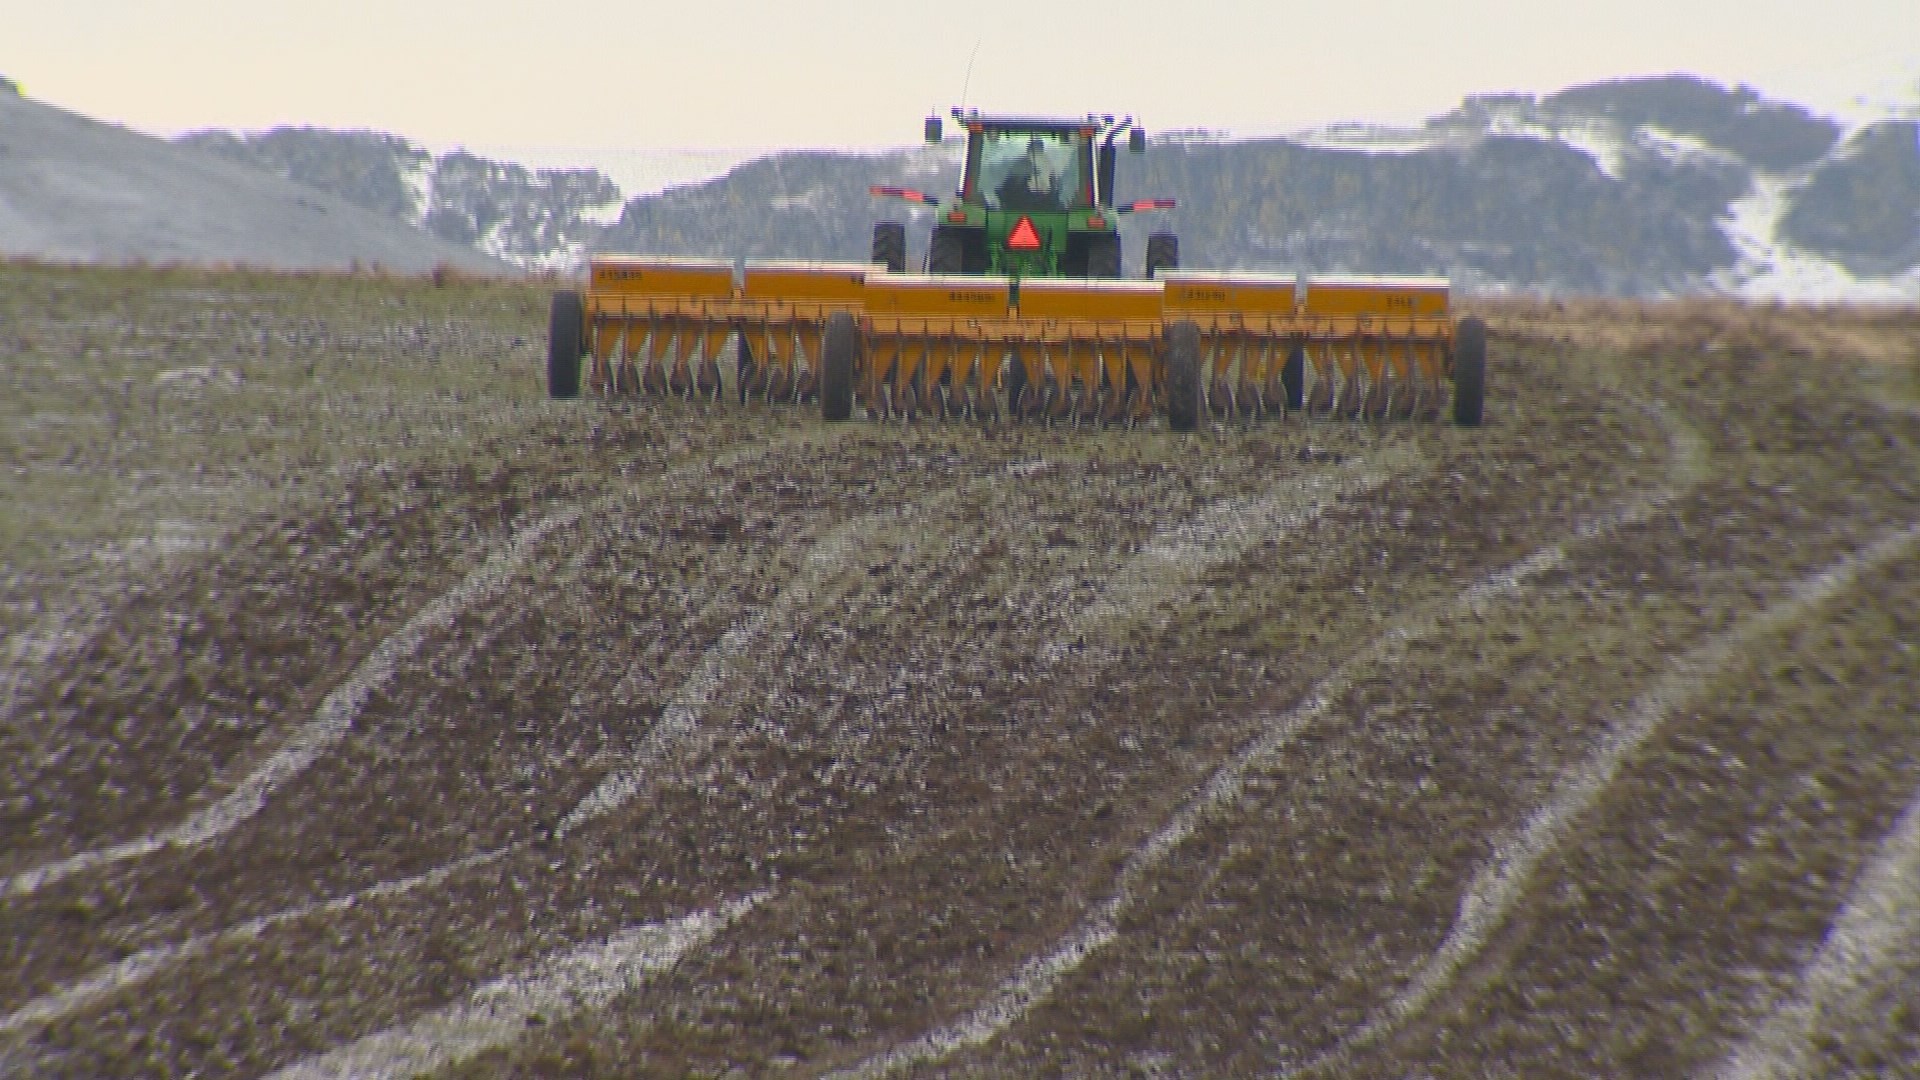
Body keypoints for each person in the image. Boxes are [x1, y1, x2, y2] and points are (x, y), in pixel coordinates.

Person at [996, 137, 1061, 211]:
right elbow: (1054, 188)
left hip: (1019, 205)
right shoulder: (1050, 165)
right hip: (1046, 206)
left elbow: (1009, 186)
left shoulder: (1021, 163)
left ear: (1028, 149)